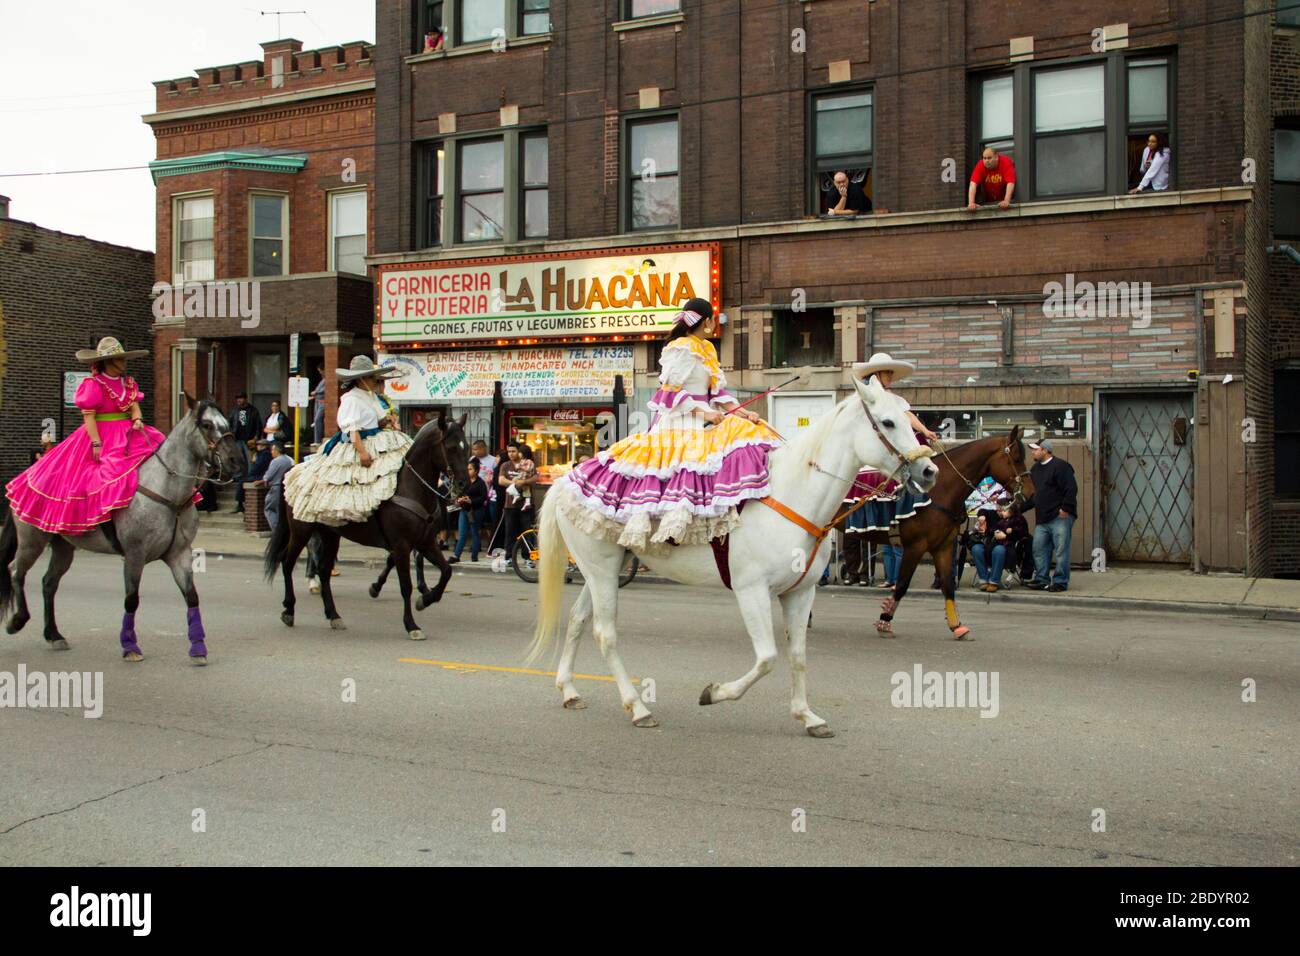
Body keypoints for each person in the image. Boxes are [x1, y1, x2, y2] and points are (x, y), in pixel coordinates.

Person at [563, 297, 780, 550]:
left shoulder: (706, 349)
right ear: (708, 320)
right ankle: (670, 527)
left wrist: (743, 413)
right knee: (685, 466)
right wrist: (705, 414)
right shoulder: (681, 348)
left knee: (746, 434)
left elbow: (717, 392)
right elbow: (669, 393)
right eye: (712, 318)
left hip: (703, 415)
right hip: (680, 420)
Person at [5, 337, 187, 532]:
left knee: (158, 449)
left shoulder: (128, 383)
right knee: (109, 471)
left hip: (128, 430)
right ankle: (104, 522)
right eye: (120, 359)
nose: (124, 363)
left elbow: (135, 407)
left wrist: (137, 419)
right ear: (108, 362)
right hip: (102, 433)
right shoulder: (93, 384)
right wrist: (96, 443)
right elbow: (89, 417)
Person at [282, 356, 410, 526]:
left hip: (377, 438)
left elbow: (376, 421)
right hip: (358, 443)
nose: (375, 381)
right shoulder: (351, 399)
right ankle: (359, 519)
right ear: (362, 379)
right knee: (356, 481)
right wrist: (362, 453)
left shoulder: (370, 396)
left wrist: (389, 422)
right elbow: (353, 430)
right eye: (372, 377)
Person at [1019, 439, 1078, 592]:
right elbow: (1033, 496)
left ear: (1045, 450)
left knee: (1061, 550)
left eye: (1036, 449)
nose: (1033, 452)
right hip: (1042, 518)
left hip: (1060, 517)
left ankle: (1060, 581)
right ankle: (1041, 579)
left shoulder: (1061, 466)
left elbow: (1071, 489)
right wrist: (1017, 509)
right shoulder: (1035, 470)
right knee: (1038, 549)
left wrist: (1065, 508)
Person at [449, 459, 488, 563]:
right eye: (467, 469)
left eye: (470, 469)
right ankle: (456, 555)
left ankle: (474, 556)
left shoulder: (481, 483)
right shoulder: (465, 482)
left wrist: (471, 501)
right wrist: (460, 499)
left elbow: (484, 497)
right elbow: (459, 493)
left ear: (476, 471)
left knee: (475, 532)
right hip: (464, 510)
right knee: (462, 533)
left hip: (476, 511)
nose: (468, 471)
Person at [229, 392, 262, 513]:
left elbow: (258, 425)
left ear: (245, 399)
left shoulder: (253, 411)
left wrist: (256, 437)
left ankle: (249, 475)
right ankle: (238, 476)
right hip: (237, 439)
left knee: (249, 460)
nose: (239, 401)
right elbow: (230, 423)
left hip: (248, 440)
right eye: (237, 399)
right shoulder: (234, 411)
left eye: (241, 398)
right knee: (238, 459)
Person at [258, 442, 295, 531]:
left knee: (269, 508)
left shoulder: (276, 461)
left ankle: (277, 530)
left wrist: (263, 479)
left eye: (272, 450)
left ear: (276, 450)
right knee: (282, 511)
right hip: (287, 487)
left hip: (276, 487)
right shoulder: (290, 459)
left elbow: (268, 476)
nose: (271, 452)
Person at [311, 365, 326, 446]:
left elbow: (323, 390)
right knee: (315, 421)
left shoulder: (327, 379)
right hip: (318, 402)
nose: (320, 373)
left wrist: (315, 393)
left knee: (318, 419)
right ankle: (316, 440)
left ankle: (318, 440)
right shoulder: (322, 380)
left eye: (320, 370)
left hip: (323, 402)